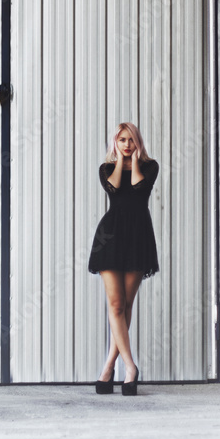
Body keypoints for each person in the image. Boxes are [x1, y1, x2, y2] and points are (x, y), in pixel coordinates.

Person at [88, 121, 160, 396]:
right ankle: (130, 367)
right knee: (116, 304)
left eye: (131, 140)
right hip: (110, 237)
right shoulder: (106, 169)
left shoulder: (150, 166)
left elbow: (139, 187)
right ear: (115, 143)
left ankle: (108, 368)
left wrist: (134, 161)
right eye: (122, 140)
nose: (127, 144)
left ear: (138, 142)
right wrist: (119, 160)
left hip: (138, 237)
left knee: (127, 304)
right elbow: (115, 189)